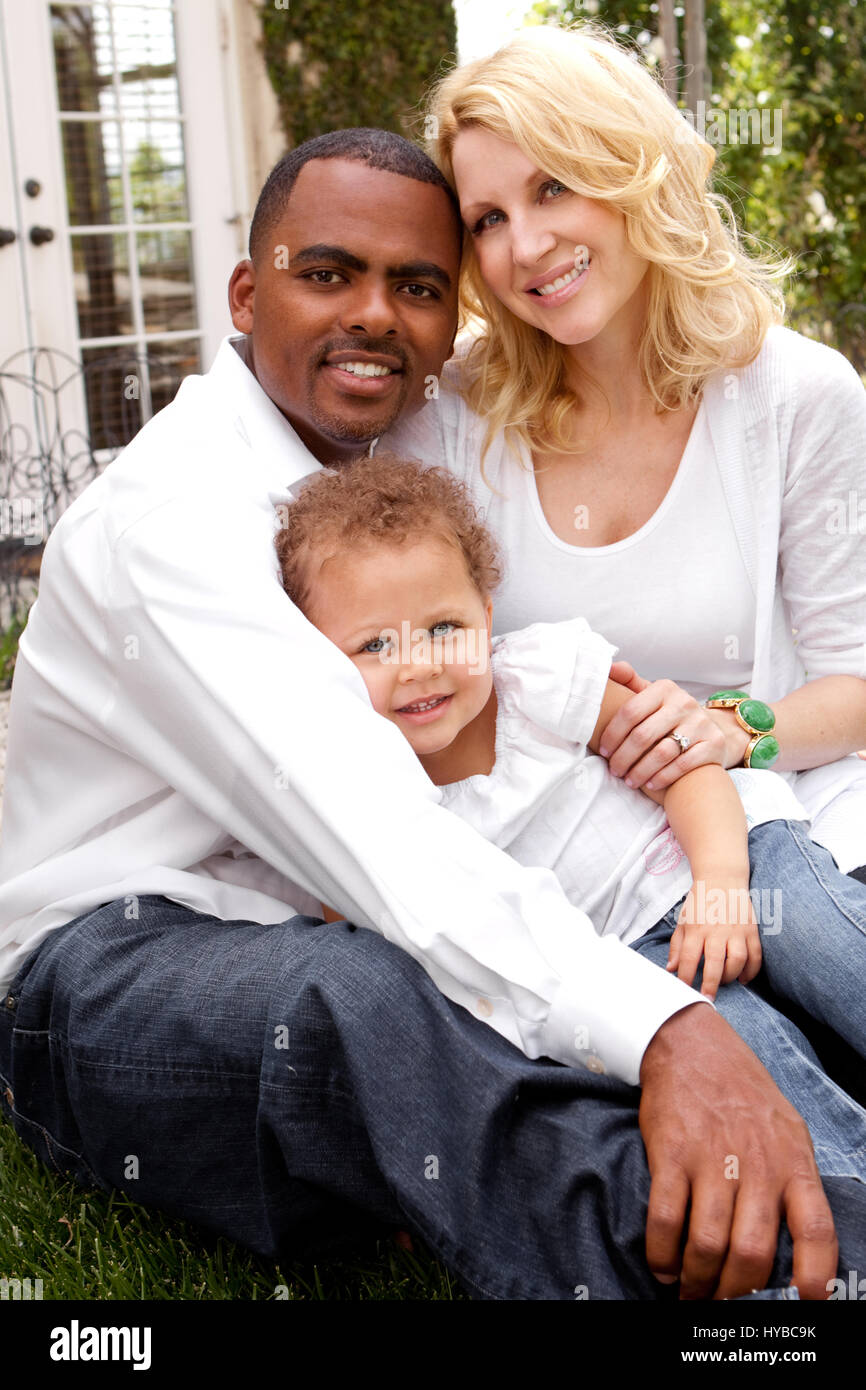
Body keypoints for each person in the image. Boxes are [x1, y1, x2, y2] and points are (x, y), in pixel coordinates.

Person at [0, 129, 862, 1303]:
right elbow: (373, 828)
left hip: (335, 916)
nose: (374, 316)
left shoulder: (375, 474)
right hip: (116, 964)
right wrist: (664, 1031)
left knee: (550, 988)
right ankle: (775, 1280)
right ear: (248, 294)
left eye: (416, 288)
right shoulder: (171, 522)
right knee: (379, 1001)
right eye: (326, 273)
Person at [384, 24, 866, 888]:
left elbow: (857, 680)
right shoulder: (449, 413)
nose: (526, 247)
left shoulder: (797, 395)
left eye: (554, 187)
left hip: (787, 821)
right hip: (565, 862)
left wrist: (733, 730)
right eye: (488, 219)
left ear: (632, 173)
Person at [274, 451, 866, 1109]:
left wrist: (720, 884)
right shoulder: (360, 796)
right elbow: (366, 937)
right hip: (629, 956)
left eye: (444, 628)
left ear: (487, 618)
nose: (420, 666)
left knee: (829, 946)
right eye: (375, 646)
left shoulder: (536, 678)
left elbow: (685, 767)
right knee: (751, 1069)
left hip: (729, 848)